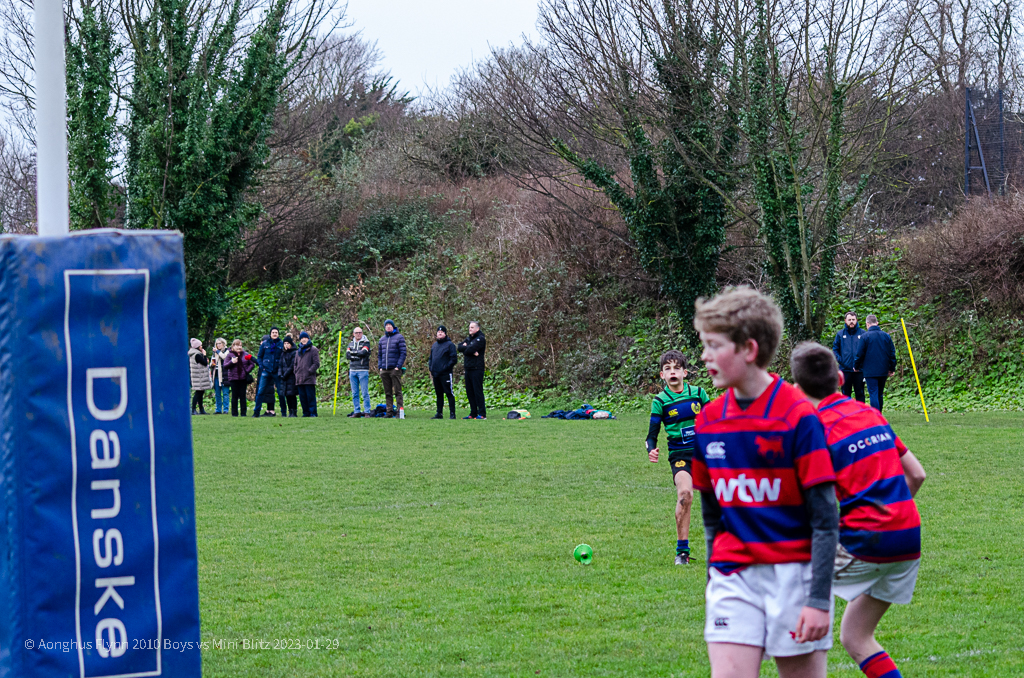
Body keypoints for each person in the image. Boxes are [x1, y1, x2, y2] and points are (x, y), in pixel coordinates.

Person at [692, 287, 838, 678]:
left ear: (749, 350)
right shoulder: (707, 421)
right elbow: (711, 518)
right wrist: (712, 581)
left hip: (794, 577)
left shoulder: (798, 418)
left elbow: (825, 519)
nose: (704, 356)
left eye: (713, 345)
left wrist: (819, 600)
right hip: (732, 577)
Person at [790, 342, 926, 678]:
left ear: (796, 390)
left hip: (868, 540)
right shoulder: (871, 413)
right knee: (856, 637)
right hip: (909, 538)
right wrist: (891, 516)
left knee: (788, 585)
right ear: (839, 377)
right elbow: (917, 474)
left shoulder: (814, 429)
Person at [645, 349, 711, 565]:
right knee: (685, 494)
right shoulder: (660, 401)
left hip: (706, 453)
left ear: (685, 372)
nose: (672, 372)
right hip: (680, 456)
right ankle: (682, 552)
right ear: (662, 375)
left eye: (676, 368)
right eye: (667, 369)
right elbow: (651, 434)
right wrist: (651, 449)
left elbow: (715, 421)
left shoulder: (699, 394)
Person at [854, 314, 897, 412]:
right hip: (883, 369)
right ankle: (879, 414)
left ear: (867, 324)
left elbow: (859, 353)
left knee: (873, 393)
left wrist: (856, 366)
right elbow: (892, 353)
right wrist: (892, 368)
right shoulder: (886, 336)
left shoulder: (865, 337)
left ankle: (875, 415)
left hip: (870, 370)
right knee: (880, 393)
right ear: (877, 323)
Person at [832, 311, 865, 403]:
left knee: (860, 393)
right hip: (845, 370)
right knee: (845, 394)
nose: (851, 321)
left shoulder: (863, 333)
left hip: (859, 370)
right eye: (849, 320)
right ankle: (846, 414)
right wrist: (840, 360)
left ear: (856, 320)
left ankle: (861, 414)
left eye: (853, 320)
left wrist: (861, 363)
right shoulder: (840, 334)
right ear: (845, 321)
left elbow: (867, 350)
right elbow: (835, 349)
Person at [377, 319, 407, 418]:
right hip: (384, 370)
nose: (388, 327)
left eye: (390, 325)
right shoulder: (382, 340)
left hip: (395, 369)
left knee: (397, 391)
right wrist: (380, 367)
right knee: (387, 392)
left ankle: (399, 412)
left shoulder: (399, 338)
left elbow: (403, 353)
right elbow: (380, 355)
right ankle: (389, 412)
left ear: (393, 327)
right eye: (387, 325)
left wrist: (398, 366)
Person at [457, 321, 487, 419]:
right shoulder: (469, 338)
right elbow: (459, 347)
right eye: (469, 327)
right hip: (468, 368)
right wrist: (468, 349)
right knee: (470, 392)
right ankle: (473, 413)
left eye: (472, 327)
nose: (470, 329)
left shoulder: (480, 339)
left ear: (477, 329)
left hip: (477, 368)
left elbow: (469, 349)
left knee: (477, 391)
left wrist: (467, 348)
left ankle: (482, 413)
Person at [253, 327, 285, 418]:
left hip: (276, 371)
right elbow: (259, 357)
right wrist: (262, 367)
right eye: (273, 332)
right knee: (260, 391)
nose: (274, 334)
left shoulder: (281, 344)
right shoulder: (265, 344)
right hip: (266, 371)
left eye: (276, 332)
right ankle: (256, 412)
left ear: (278, 334)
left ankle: (284, 412)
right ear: (270, 334)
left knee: (280, 392)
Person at [428, 325, 458, 419]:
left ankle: (452, 413)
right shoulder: (434, 345)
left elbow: (453, 359)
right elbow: (431, 358)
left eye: (442, 332)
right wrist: (431, 368)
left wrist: (446, 367)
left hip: (445, 373)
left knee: (449, 393)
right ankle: (439, 413)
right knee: (438, 394)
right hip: (436, 373)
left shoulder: (450, 345)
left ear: (445, 334)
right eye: (438, 332)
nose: (440, 333)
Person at [222, 339, 256, 416]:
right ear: (233, 346)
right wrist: (232, 362)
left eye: (240, 345)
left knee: (243, 396)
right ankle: (234, 413)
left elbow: (252, 364)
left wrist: (247, 370)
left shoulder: (245, 354)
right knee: (234, 396)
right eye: (237, 345)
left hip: (243, 378)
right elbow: (225, 366)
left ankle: (243, 413)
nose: (239, 347)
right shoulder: (230, 355)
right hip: (233, 379)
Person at [346, 326, 372, 417]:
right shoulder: (350, 344)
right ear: (353, 334)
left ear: (362, 333)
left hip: (363, 370)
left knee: (365, 392)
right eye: (356, 333)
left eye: (360, 332)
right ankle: (356, 411)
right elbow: (348, 355)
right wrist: (357, 355)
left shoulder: (366, 342)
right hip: (352, 370)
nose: (358, 334)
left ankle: (367, 411)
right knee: (354, 393)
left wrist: (354, 354)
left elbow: (363, 353)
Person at [294, 331, 320, 417]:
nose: (303, 340)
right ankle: (305, 413)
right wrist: (296, 372)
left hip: (309, 378)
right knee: (302, 398)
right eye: (302, 338)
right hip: (299, 378)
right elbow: (295, 363)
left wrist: (309, 371)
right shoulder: (298, 351)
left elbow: (316, 363)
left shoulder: (313, 349)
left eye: (305, 338)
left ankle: (313, 413)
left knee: (310, 397)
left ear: (308, 339)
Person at [188, 338, 212, 415]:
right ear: (197, 347)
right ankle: (194, 409)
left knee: (200, 393)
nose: (202, 347)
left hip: (197, 376)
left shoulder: (193, 354)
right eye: (200, 345)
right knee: (198, 393)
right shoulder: (197, 354)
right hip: (199, 377)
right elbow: (204, 363)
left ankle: (201, 409)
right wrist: (204, 355)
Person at [277, 334, 299, 417]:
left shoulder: (294, 352)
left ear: (291, 344)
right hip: (283, 378)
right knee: (287, 395)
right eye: (285, 343)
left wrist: (285, 374)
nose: (286, 345)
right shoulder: (283, 353)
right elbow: (280, 364)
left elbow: (292, 366)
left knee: (292, 395)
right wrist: (280, 374)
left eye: (287, 343)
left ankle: (294, 411)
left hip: (291, 377)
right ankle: (290, 411)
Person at [209, 337, 231, 414]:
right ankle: (218, 409)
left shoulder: (227, 350)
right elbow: (212, 362)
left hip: (224, 375)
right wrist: (212, 364)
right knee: (217, 393)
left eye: (219, 343)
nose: (218, 345)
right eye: (217, 344)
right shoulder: (215, 352)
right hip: (216, 375)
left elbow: (224, 356)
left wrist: (217, 351)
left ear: (223, 343)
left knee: (225, 393)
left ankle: (225, 409)